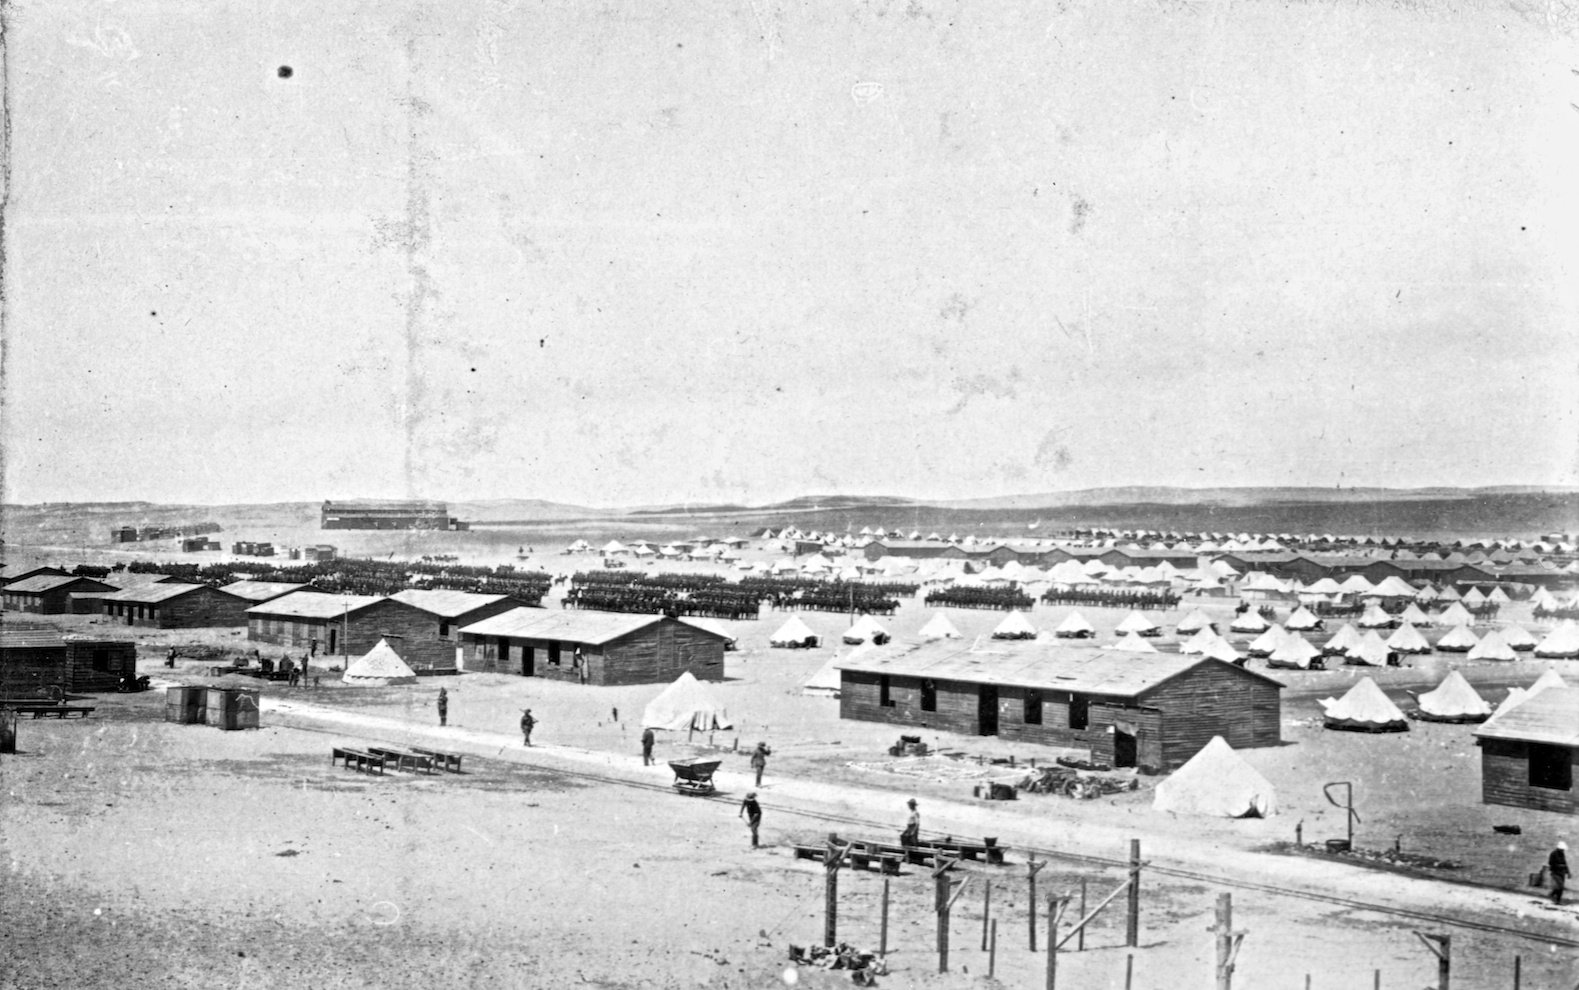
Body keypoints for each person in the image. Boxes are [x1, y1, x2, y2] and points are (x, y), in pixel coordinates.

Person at [1551, 841, 1570, 906]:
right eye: (1562, 850)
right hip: (1555, 872)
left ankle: (1555, 896)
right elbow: (1551, 863)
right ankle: (1555, 898)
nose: (1563, 851)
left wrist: (1568, 872)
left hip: (1562, 873)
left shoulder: (1562, 854)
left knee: (1560, 887)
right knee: (1560, 886)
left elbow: (1565, 863)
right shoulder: (1553, 854)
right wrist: (1559, 866)